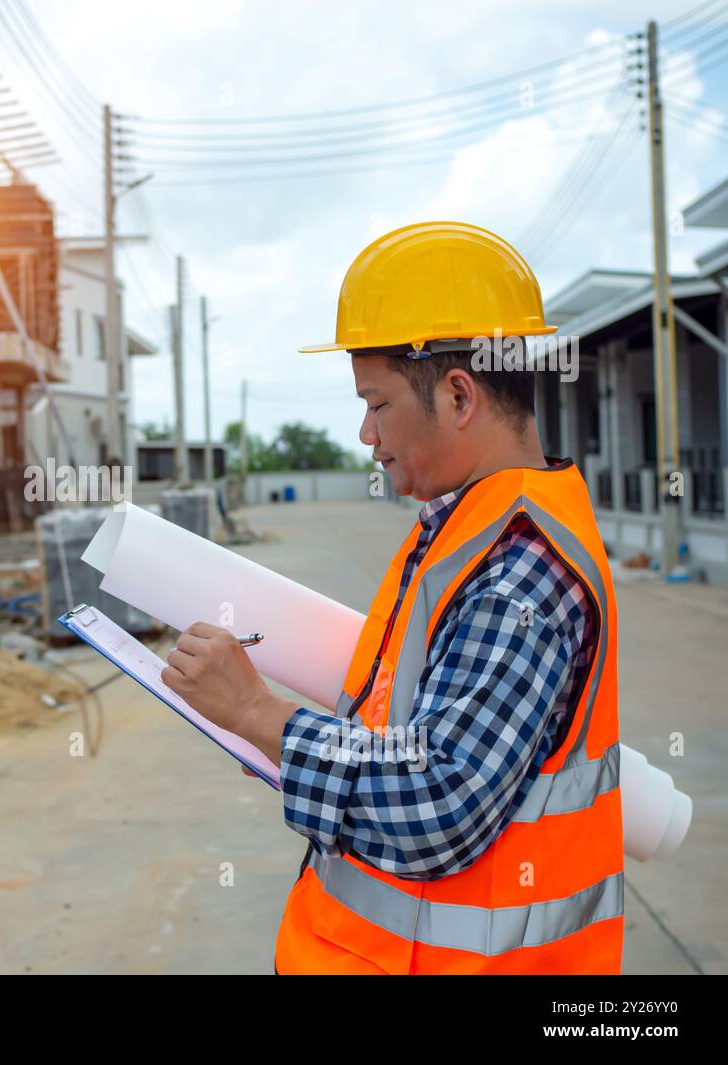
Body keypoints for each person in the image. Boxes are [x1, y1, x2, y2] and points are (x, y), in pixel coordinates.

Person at [160, 222, 623, 974]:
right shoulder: (462, 532)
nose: (366, 433)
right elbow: (405, 725)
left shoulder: (520, 572)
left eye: (376, 403)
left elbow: (440, 798)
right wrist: (281, 742)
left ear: (459, 395)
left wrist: (259, 713)